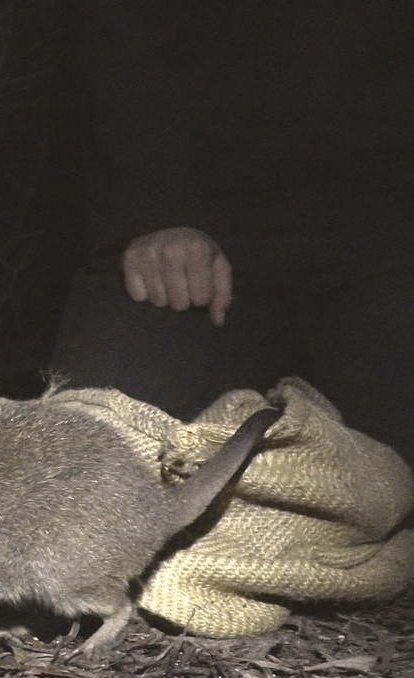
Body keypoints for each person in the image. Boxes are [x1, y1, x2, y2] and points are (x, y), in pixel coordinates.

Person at [50, 1, 414, 465]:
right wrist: (154, 212)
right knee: (91, 450)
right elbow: (118, 38)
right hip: (200, 235)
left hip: (390, 237)